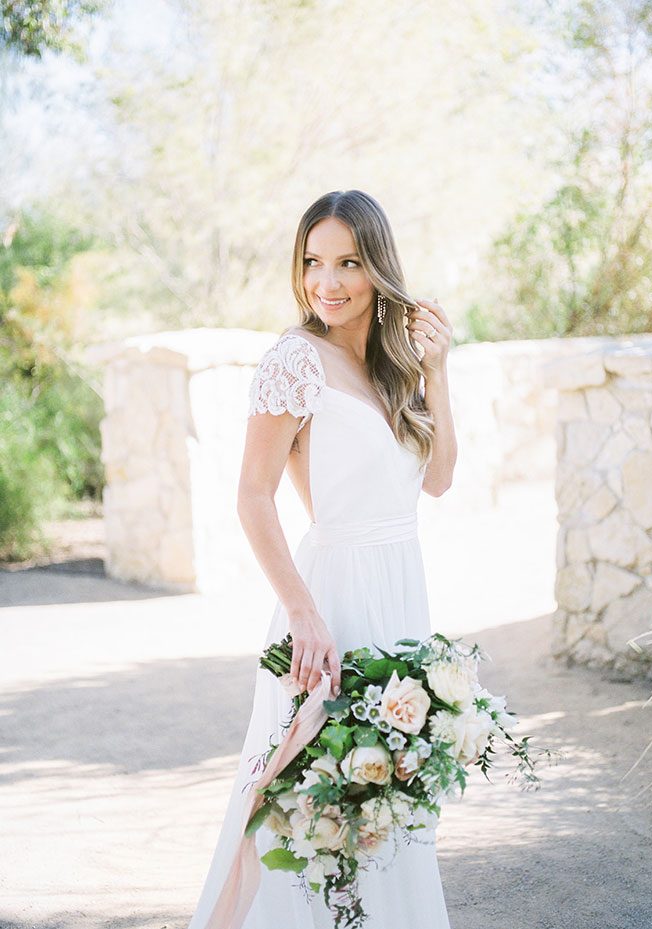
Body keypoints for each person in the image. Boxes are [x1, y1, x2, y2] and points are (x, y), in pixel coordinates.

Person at [187, 189, 458, 929]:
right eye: (313, 262)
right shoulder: (294, 360)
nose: (326, 282)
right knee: (314, 801)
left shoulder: (392, 364)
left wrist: (436, 370)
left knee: (392, 797)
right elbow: (252, 495)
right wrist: (303, 614)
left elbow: (437, 480)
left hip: (400, 595)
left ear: (378, 267)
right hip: (331, 599)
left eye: (347, 263)